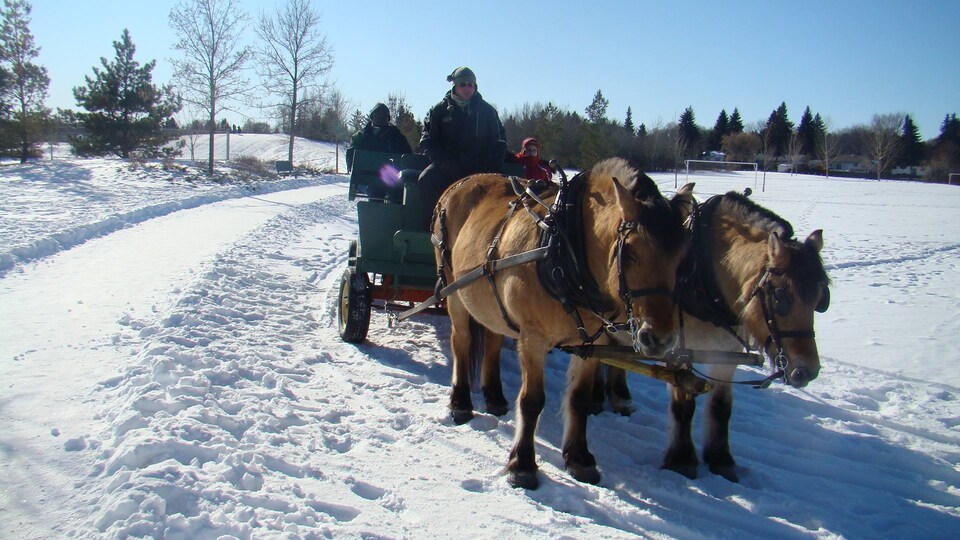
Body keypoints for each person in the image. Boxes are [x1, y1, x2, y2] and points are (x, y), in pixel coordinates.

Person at [417, 66, 507, 228]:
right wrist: (445, 164)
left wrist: (489, 166)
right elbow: (428, 141)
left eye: (470, 85)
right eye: (463, 84)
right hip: (447, 167)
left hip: (480, 168)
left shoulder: (487, 111)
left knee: (504, 188)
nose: (467, 88)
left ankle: (492, 230)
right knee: (426, 180)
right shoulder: (439, 111)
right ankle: (430, 228)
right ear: (455, 86)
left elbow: (500, 141)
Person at [346, 103, 413, 172]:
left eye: (384, 115)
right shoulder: (360, 136)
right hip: (364, 177)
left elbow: (408, 158)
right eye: (377, 114)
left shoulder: (397, 137)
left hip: (390, 179)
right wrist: (351, 166)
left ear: (388, 118)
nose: (380, 117)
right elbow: (351, 156)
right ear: (372, 117)